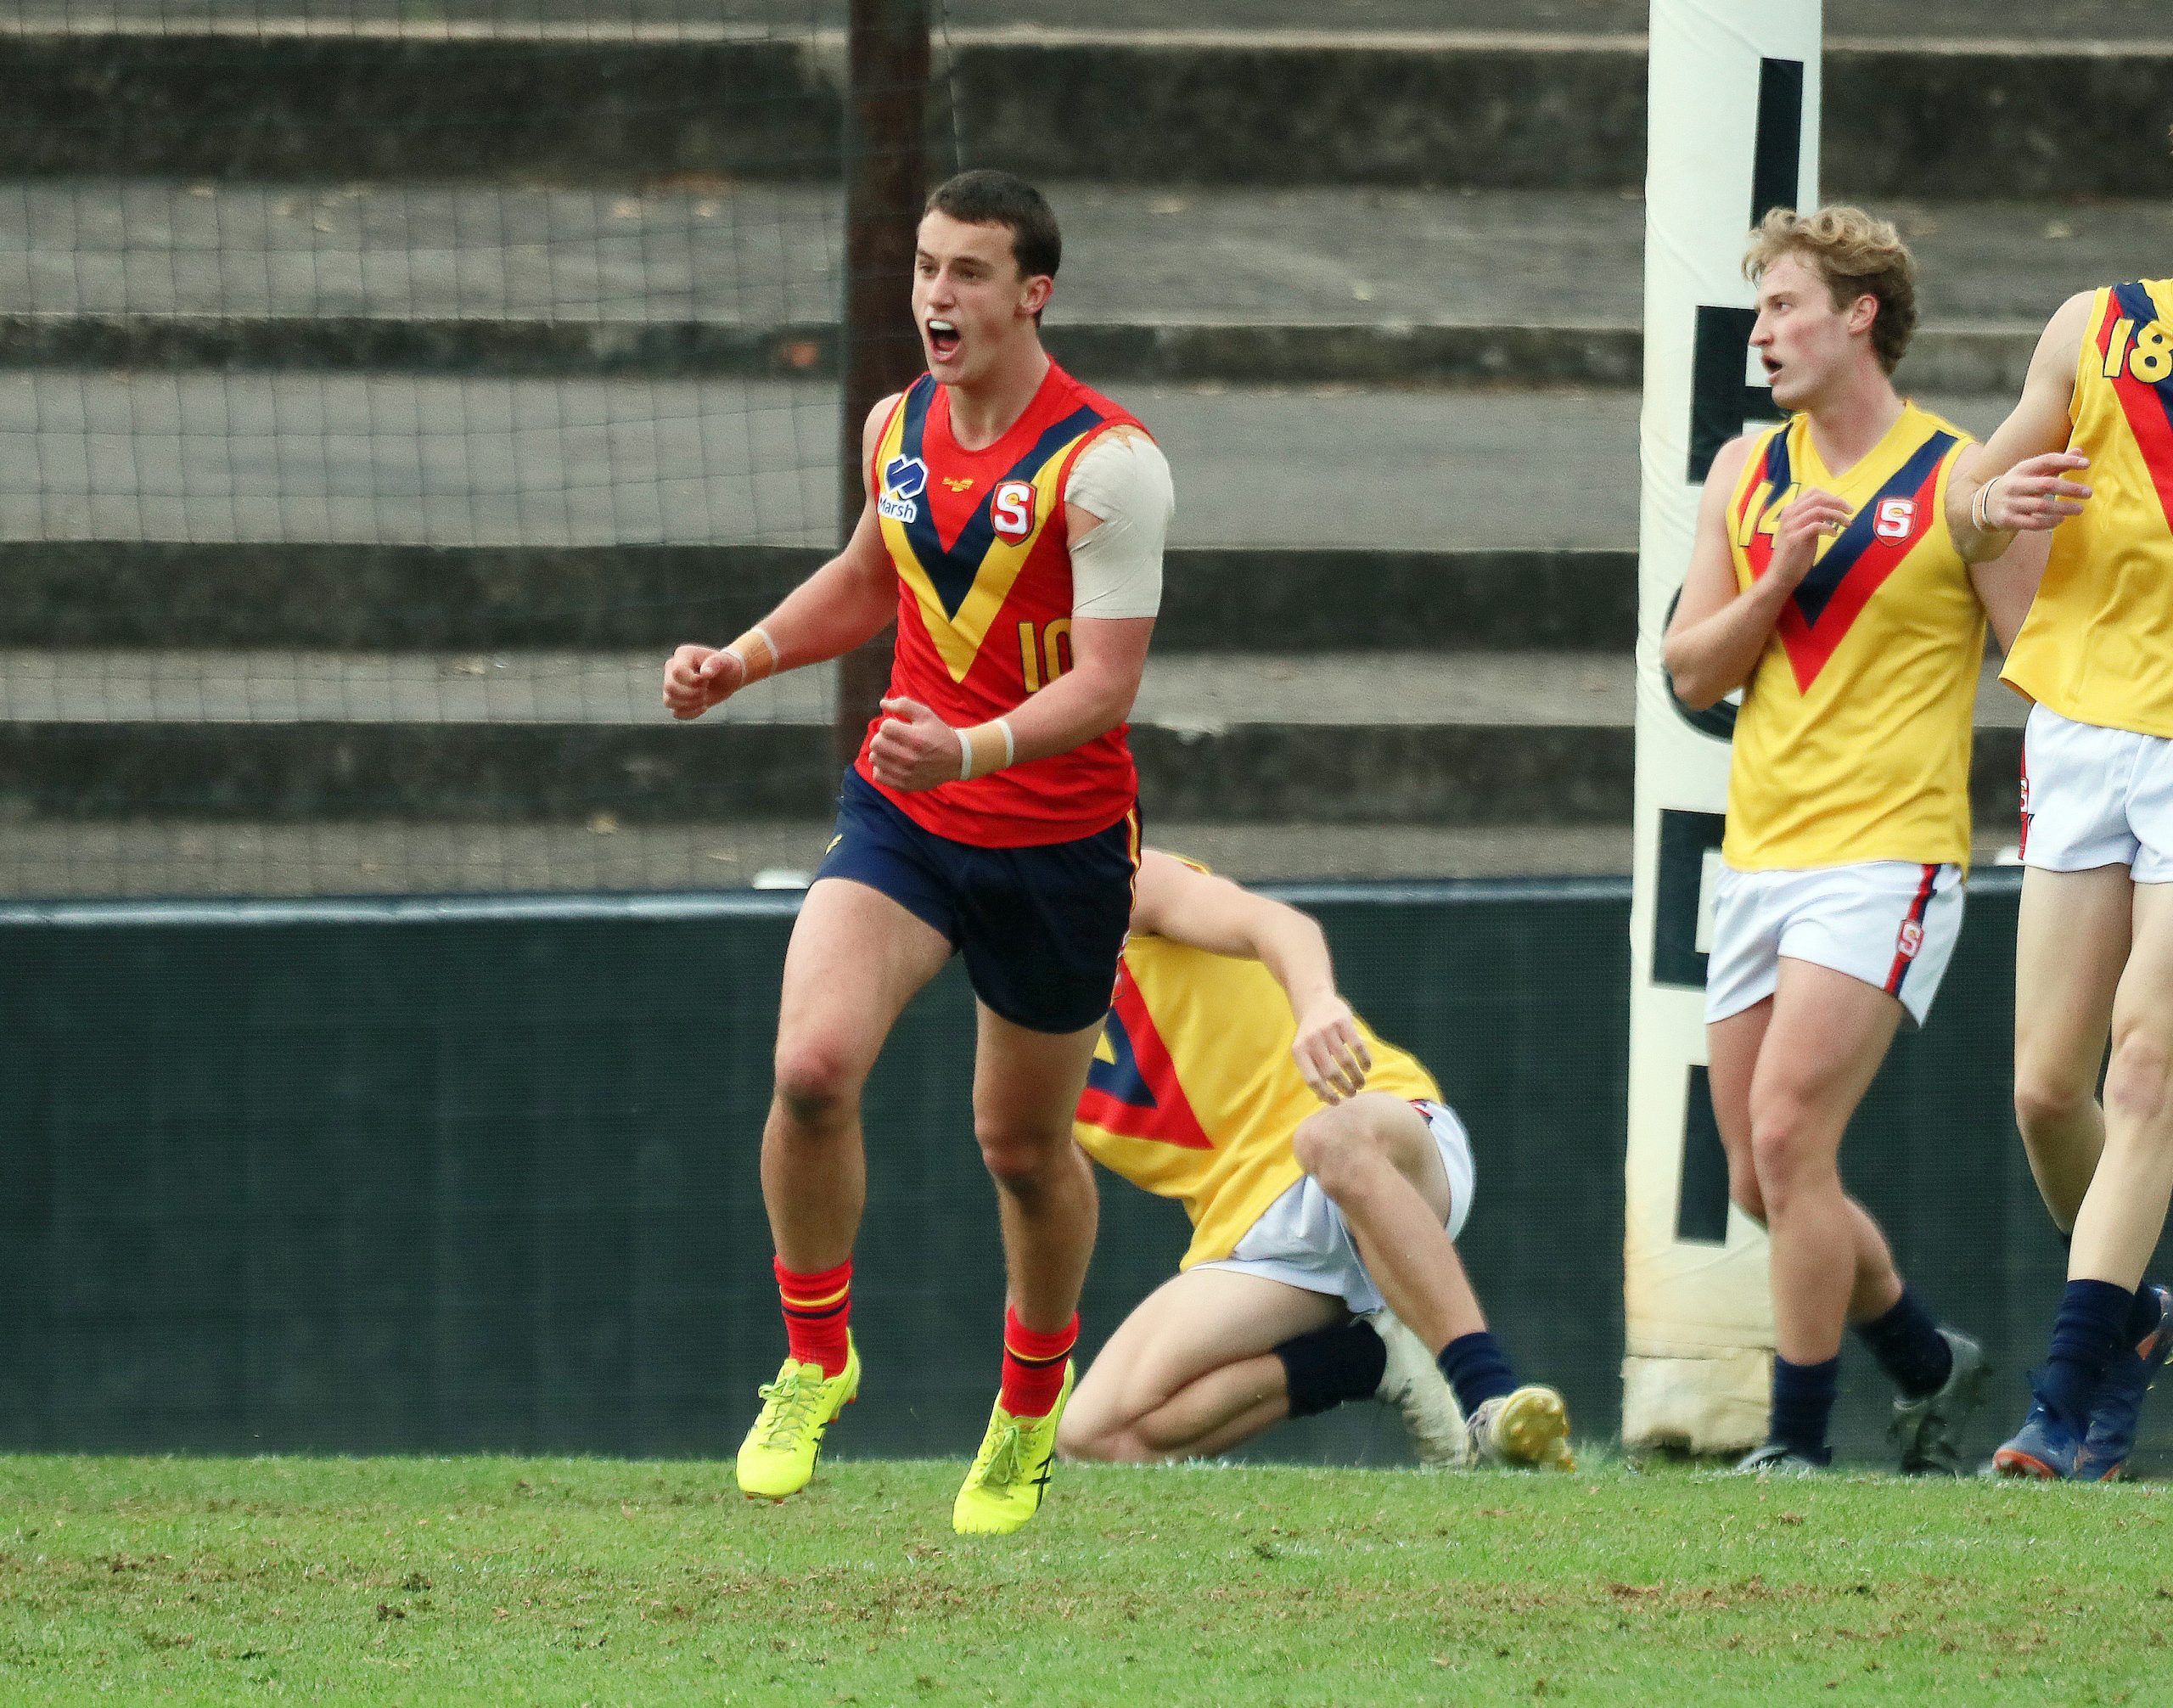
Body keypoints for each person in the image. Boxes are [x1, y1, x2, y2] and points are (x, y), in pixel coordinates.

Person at [663, 170, 1174, 1533]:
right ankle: (816, 1359)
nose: (934, 298)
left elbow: (1107, 688)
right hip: (906, 820)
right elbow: (871, 575)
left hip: (1059, 844)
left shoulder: (1108, 465)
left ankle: (1026, 1408)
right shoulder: (896, 422)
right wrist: (744, 659)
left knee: (1019, 1149)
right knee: (812, 1070)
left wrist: (971, 746)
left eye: (966, 274)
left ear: (1032, 293)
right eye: (925, 269)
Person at [1662, 206, 2044, 1474]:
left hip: (1892, 851)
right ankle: (1928, 1363)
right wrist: (1774, 578)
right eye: (1762, 309)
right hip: (1762, 850)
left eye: (1784, 306)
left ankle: (1797, 1445)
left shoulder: (1958, 472)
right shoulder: (1745, 474)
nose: (1763, 333)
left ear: (1859, 313)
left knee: (1787, 1138)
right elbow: (1691, 672)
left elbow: (2039, 656)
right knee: (1757, 1180)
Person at [1055, 851, 1575, 1472]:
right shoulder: (1021, 1033)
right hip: (1262, 1240)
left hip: (1379, 1140)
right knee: (1093, 1437)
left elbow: (1281, 927)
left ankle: (1485, 1397)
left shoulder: (1116, 881)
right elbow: (1044, 1192)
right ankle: (1372, 1361)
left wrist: (1318, 1004)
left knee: (1326, 1139)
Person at [1944, 257, 2173, 1481]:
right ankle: (2133, 1319)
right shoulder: (2102, 325)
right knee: (2047, 1094)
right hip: (2087, 724)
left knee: (2146, 1072)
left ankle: (2062, 1396)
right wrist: (1995, 506)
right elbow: (1963, 501)